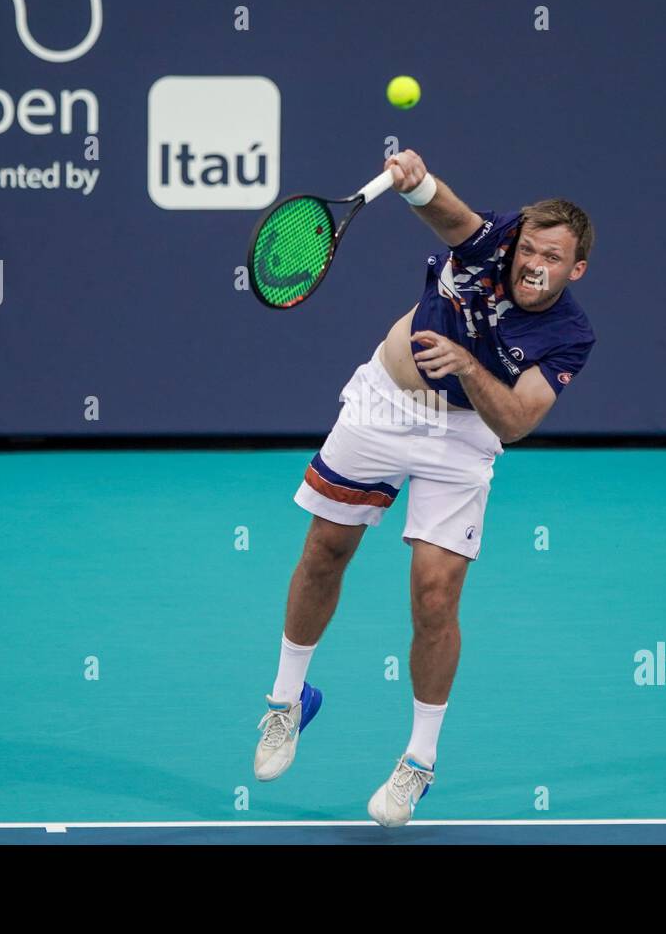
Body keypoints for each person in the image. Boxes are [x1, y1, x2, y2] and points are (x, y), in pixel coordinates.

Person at [253, 149, 596, 827]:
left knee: (435, 596)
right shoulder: (494, 241)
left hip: (464, 439)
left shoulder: (570, 335)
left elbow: (518, 421)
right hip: (383, 405)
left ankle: (419, 762)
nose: (532, 263)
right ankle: (287, 701)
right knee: (325, 549)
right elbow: (452, 216)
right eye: (529, 246)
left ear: (575, 267)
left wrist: (468, 365)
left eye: (551, 257)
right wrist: (418, 184)